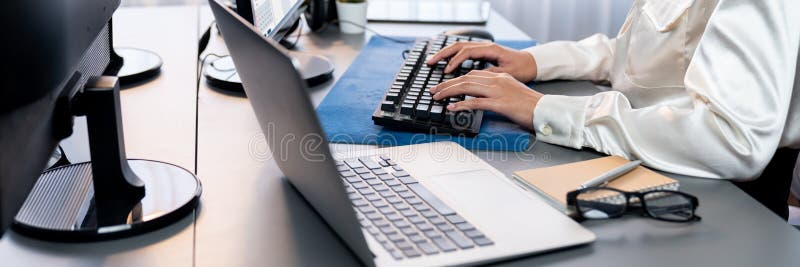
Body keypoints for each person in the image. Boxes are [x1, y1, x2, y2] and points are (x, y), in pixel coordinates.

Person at [426, 0, 800, 219]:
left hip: (721, 201)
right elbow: (637, 56)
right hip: (645, 152)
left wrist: (546, 109)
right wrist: (533, 61)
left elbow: (733, 139)